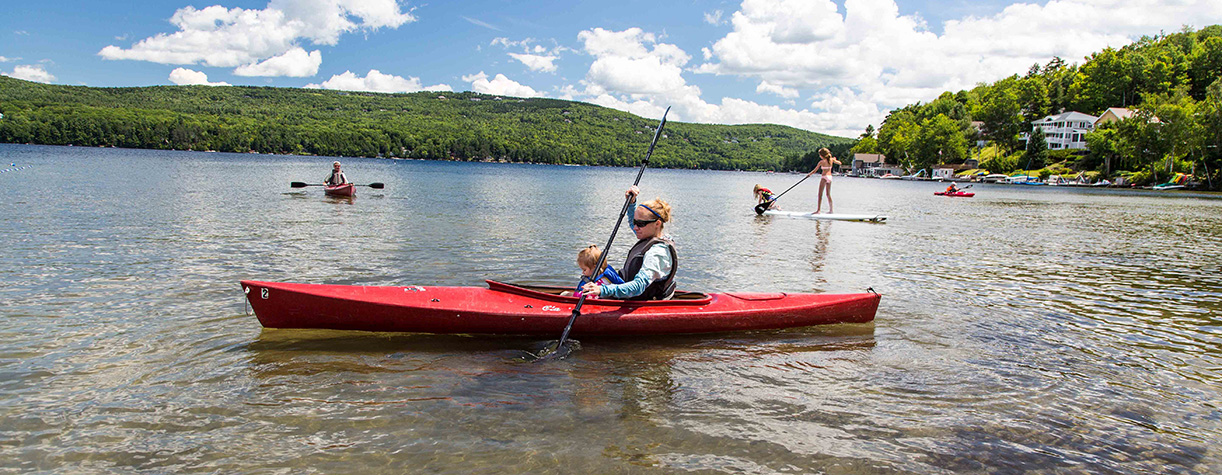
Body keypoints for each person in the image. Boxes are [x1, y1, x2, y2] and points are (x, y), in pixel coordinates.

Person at [581, 186, 677, 300]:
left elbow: (638, 286)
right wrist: (631, 203)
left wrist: (602, 290)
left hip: (638, 300)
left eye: (640, 223)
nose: (635, 227)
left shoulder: (657, 253)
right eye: (635, 222)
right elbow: (635, 222)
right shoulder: (649, 234)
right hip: (627, 294)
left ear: (657, 223)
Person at [560, 245, 625, 297]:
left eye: (584, 269)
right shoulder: (598, 275)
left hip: (598, 303)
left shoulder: (602, 281)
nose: (583, 272)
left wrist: (573, 295)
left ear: (595, 267)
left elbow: (590, 296)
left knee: (565, 294)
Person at [806, 148, 840, 214]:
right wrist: (835, 160)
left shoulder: (821, 162)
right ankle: (831, 210)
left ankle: (818, 210)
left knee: (820, 194)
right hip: (830, 177)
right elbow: (839, 163)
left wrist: (809, 175)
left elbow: (814, 170)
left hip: (824, 177)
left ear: (822, 155)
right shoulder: (831, 160)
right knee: (828, 194)